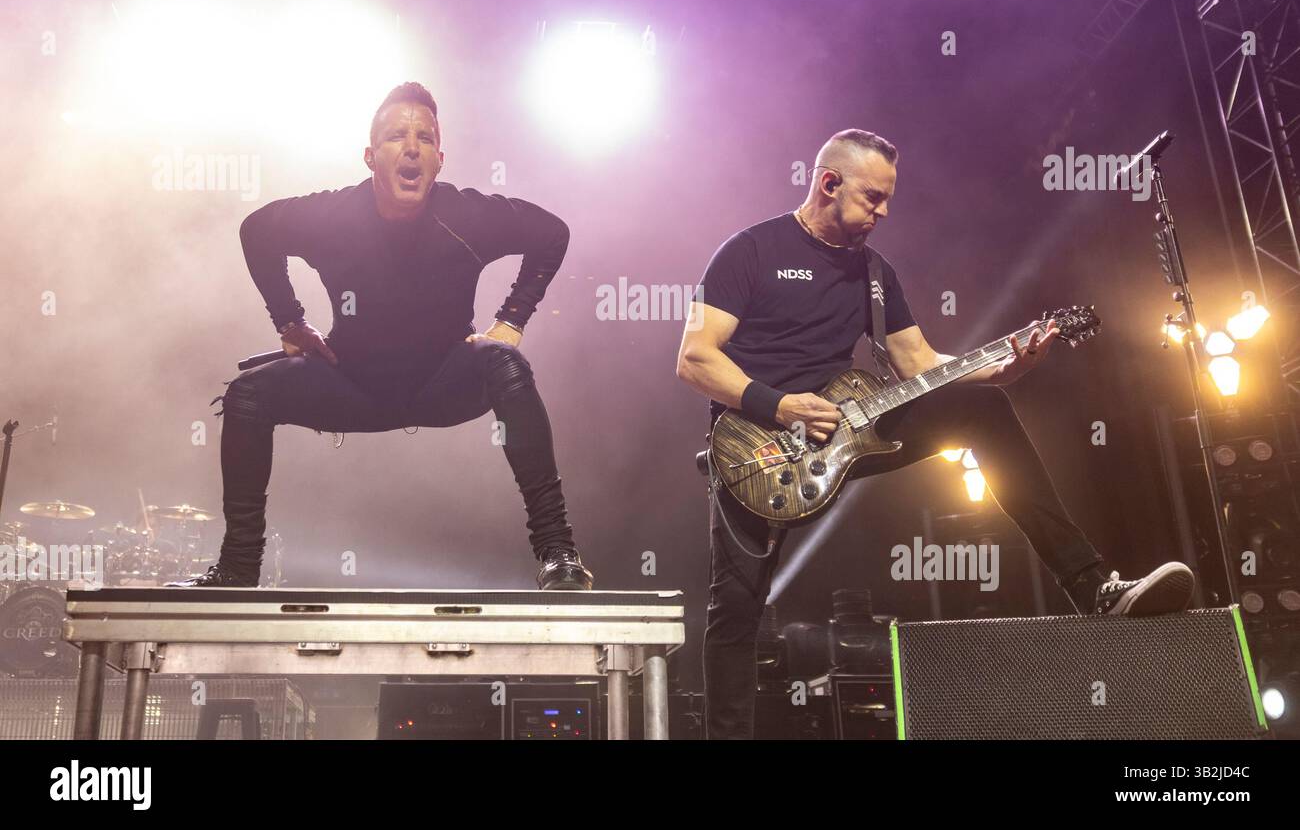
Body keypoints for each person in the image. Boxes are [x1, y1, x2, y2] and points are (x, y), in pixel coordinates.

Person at [676, 128, 1194, 739]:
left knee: (984, 409)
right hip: (757, 450)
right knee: (735, 611)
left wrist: (1000, 366)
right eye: (873, 198)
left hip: (852, 426)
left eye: (888, 199)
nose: (884, 211)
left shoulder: (874, 272)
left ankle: (1093, 587)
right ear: (828, 183)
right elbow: (695, 358)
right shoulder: (750, 251)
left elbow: (917, 362)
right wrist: (781, 404)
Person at [171, 82, 593, 591]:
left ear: (439, 159)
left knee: (505, 363)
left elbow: (553, 234)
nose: (412, 147)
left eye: (425, 138)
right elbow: (256, 230)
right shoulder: (333, 215)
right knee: (246, 396)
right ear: (371, 156)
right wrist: (290, 322)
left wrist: (511, 320)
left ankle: (557, 554)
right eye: (396, 136)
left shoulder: (468, 215)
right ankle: (238, 568)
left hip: (443, 383)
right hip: (352, 385)